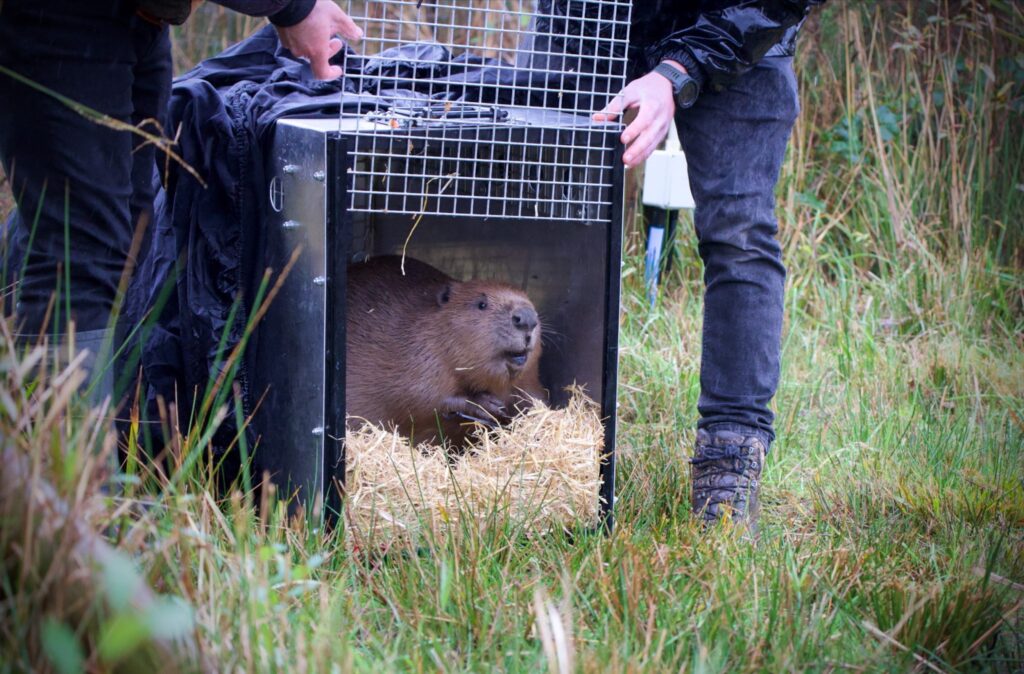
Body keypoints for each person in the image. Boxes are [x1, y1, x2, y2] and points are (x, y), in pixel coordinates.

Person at [0, 0, 361, 400]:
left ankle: (95, 434)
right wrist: (293, 7)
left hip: (139, 21)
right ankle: (63, 455)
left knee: (123, 242)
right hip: (69, 20)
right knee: (80, 253)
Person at [595, 0, 824, 533]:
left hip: (741, 32)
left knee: (738, 234)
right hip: (593, 26)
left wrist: (675, 71)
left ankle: (729, 460)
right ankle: (535, 436)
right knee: (550, 213)